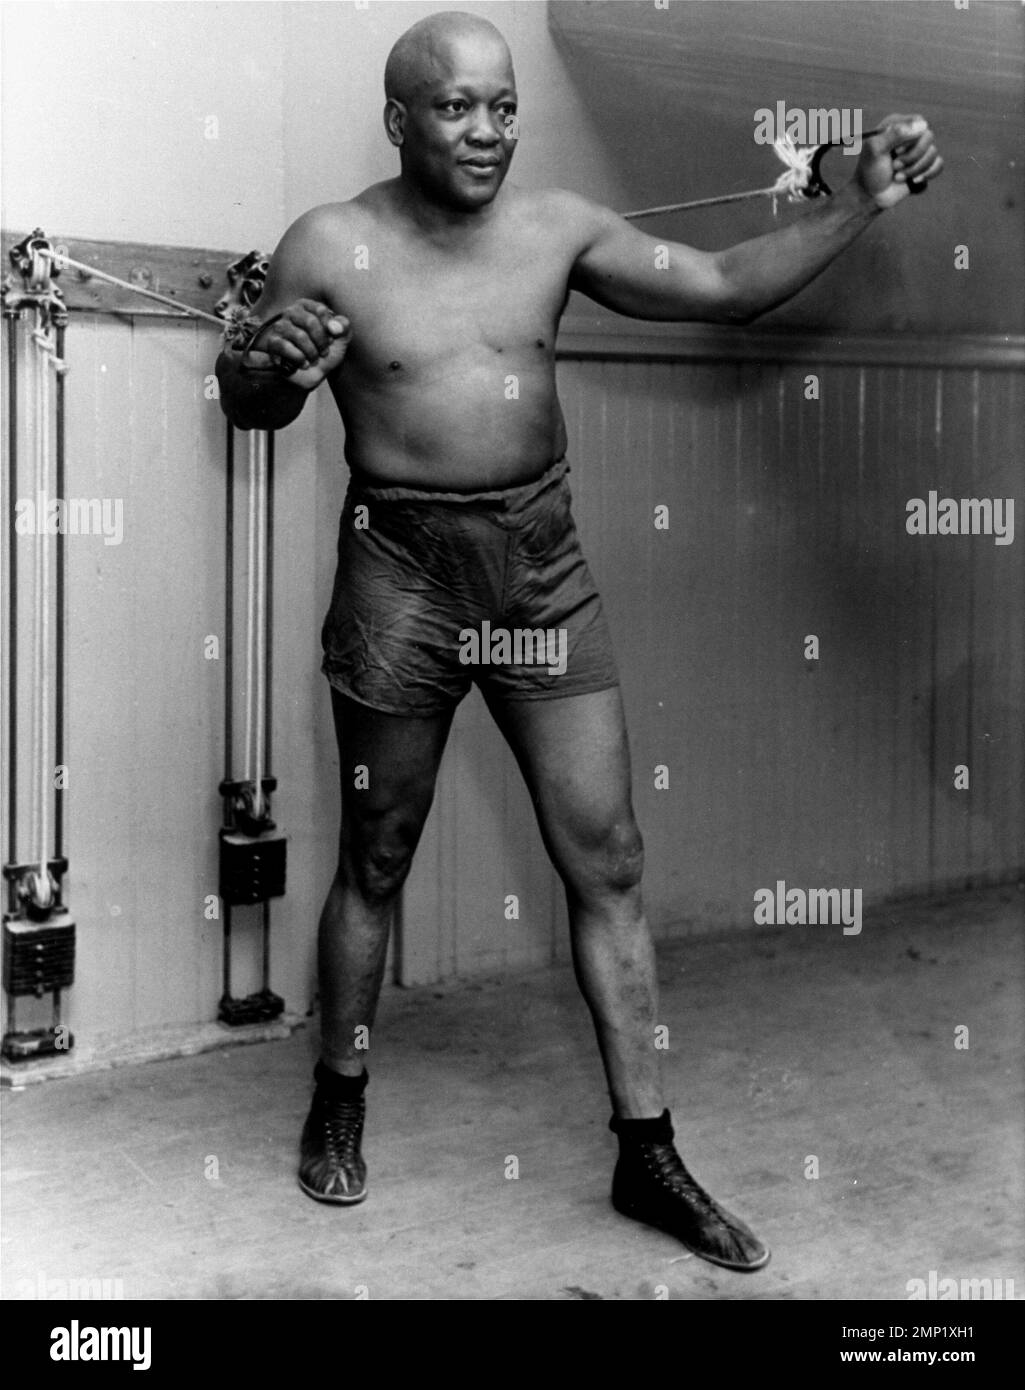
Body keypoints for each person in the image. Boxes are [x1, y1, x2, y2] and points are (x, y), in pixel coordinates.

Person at [216, 10, 942, 1273]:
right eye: (455, 106)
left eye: (501, 104)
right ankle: (340, 1090)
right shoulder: (328, 242)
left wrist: (856, 203)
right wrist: (267, 368)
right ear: (400, 120)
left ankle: (645, 1148)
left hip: (538, 570)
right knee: (376, 853)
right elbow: (255, 399)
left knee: (606, 855)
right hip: (401, 570)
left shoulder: (556, 228)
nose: (487, 128)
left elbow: (718, 290)